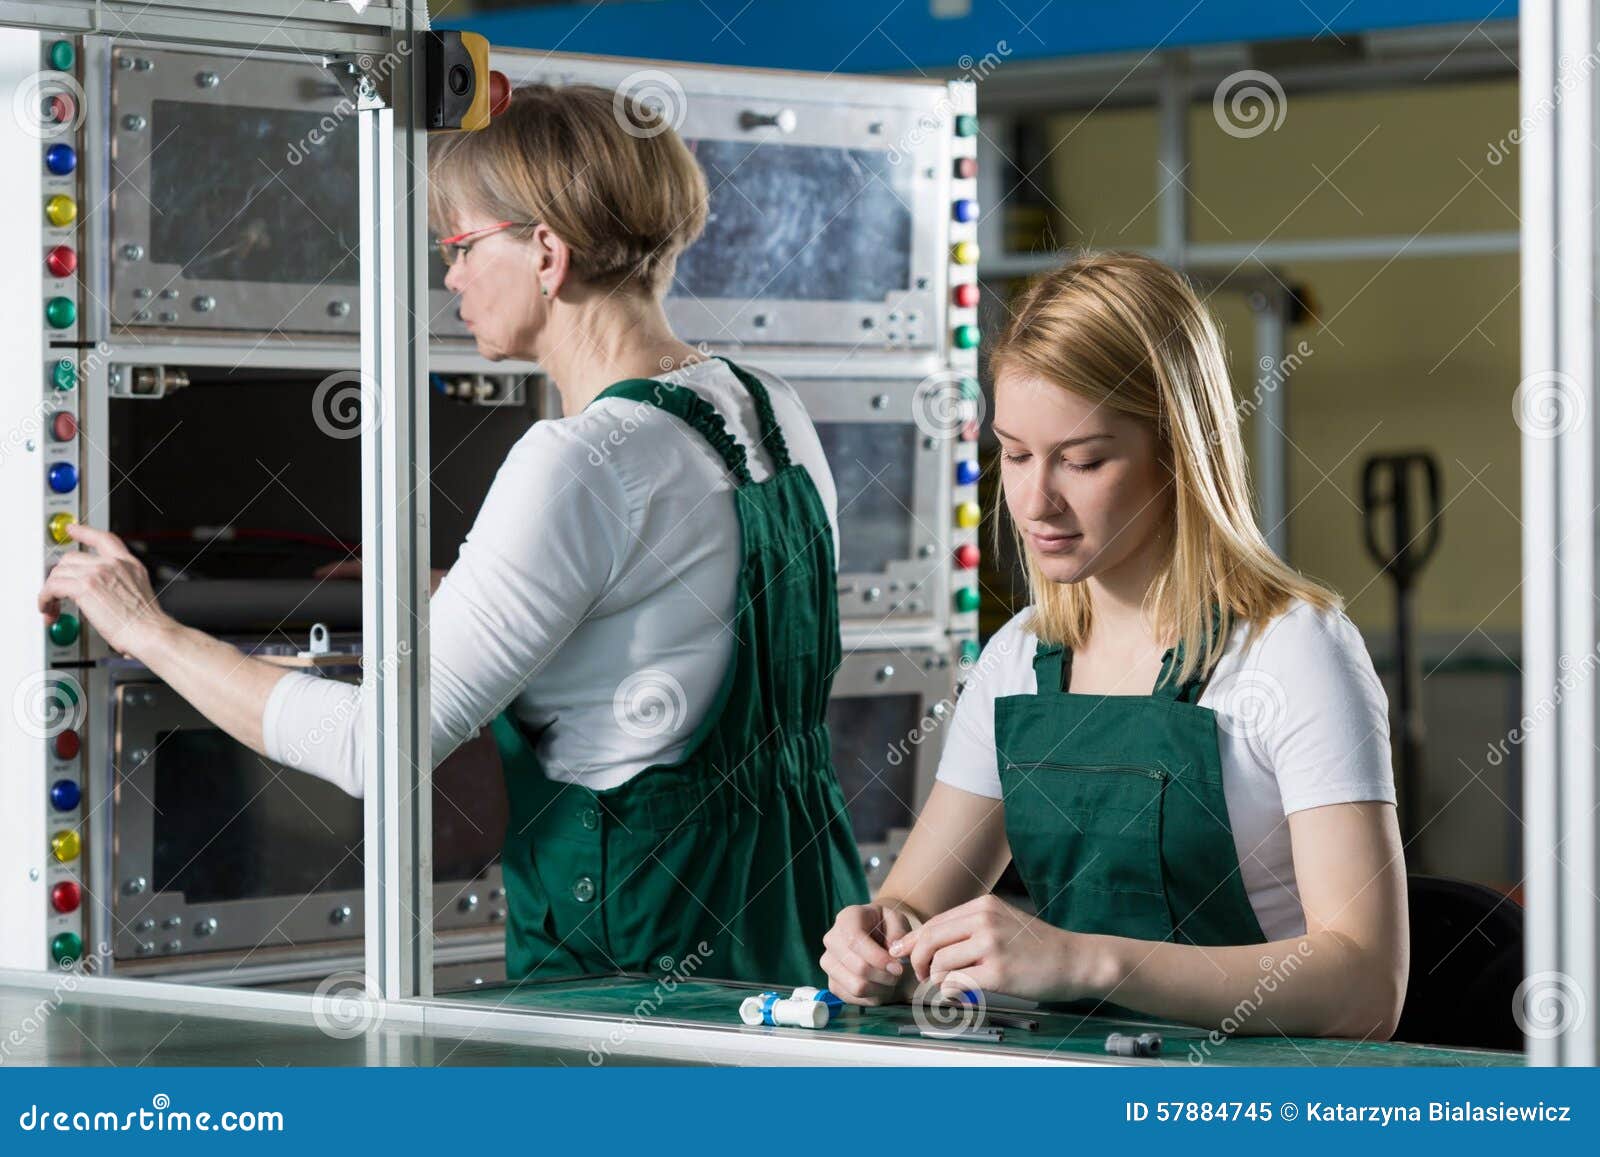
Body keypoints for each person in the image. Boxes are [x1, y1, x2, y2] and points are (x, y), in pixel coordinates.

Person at [39, 83, 867, 985]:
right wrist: (472, 597)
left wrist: (148, 630)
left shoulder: (580, 459)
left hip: (639, 943)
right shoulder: (765, 405)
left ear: (547, 252)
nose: (450, 278)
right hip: (798, 910)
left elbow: (375, 749)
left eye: (462, 246)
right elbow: (674, 619)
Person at [818, 252, 1409, 1039]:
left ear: (1178, 451)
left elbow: (1366, 985)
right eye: (1016, 453)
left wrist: (1084, 961)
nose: (1034, 500)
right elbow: (913, 907)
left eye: (1083, 459)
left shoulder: (1292, 653)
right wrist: (878, 941)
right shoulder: (1020, 657)